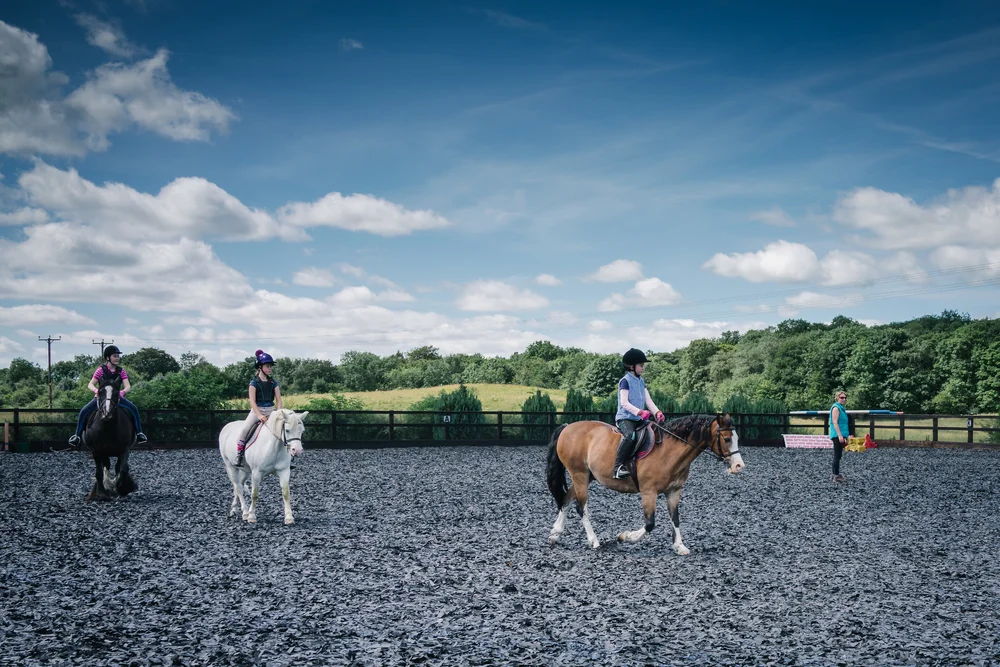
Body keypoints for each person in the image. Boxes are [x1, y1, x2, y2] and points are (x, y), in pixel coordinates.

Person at [68, 345, 147, 447]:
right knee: (84, 411)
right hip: (101, 398)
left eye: (118, 356)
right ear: (108, 358)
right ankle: (77, 436)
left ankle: (139, 433)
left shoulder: (121, 371)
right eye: (115, 356)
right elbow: (90, 384)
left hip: (116, 398)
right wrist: (96, 390)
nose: (117, 358)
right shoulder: (100, 370)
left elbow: (127, 386)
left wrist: (122, 392)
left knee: (134, 409)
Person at [613, 348, 665, 479]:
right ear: (632, 366)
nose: (643, 368)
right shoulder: (625, 381)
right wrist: (639, 412)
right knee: (630, 436)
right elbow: (624, 403)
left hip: (638, 418)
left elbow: (648, 399)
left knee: (655, 430)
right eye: (641, 365)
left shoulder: (641, 381)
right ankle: (617, 468)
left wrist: (657, 411)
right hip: (625, 418)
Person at [234, 349, 283, 466]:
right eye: (267, 366)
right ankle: (239, 454)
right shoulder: (254, 383)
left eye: (270, 366)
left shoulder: (273, 383)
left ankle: (286, 456)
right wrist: (259, 415)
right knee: (244, 430)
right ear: (260, 367)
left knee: (283, 429)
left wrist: (279, 411)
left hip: (271, 411)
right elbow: (252, 400)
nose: (270, 368)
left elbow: (278, 399)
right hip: (257, 411)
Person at [829, 390, 851, 483]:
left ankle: (834, 474)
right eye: (842, 397)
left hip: (841, 434)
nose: (844, 399)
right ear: (837, 398)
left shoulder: (841, 408)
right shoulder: (836, 408)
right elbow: (835, 422)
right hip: (837, 434)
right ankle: (836, 475)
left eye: (845, 398)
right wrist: (839, 435)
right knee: (837, 455)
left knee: (838, 455)